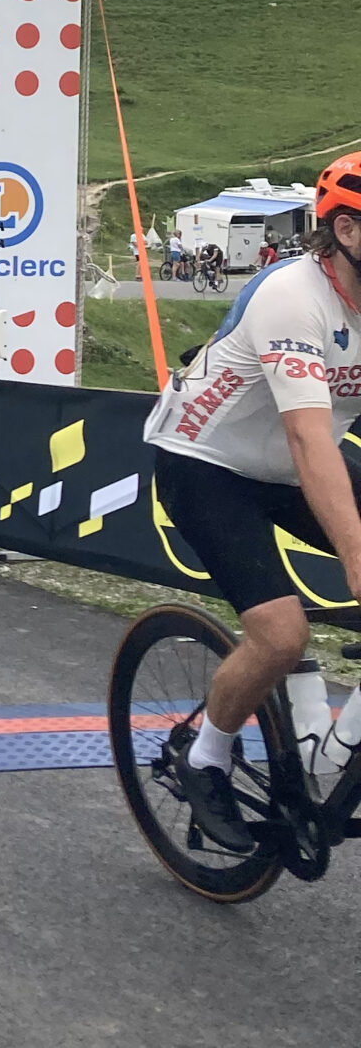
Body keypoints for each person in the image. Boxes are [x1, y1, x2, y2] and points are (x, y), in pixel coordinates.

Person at [142, 153, 361, 854]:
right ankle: (202, 756)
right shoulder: (293, 296)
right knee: (280, 632)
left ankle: (320, 736)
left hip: (290, 463)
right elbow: (306, 436)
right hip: (206, 460)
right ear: (348, 230)